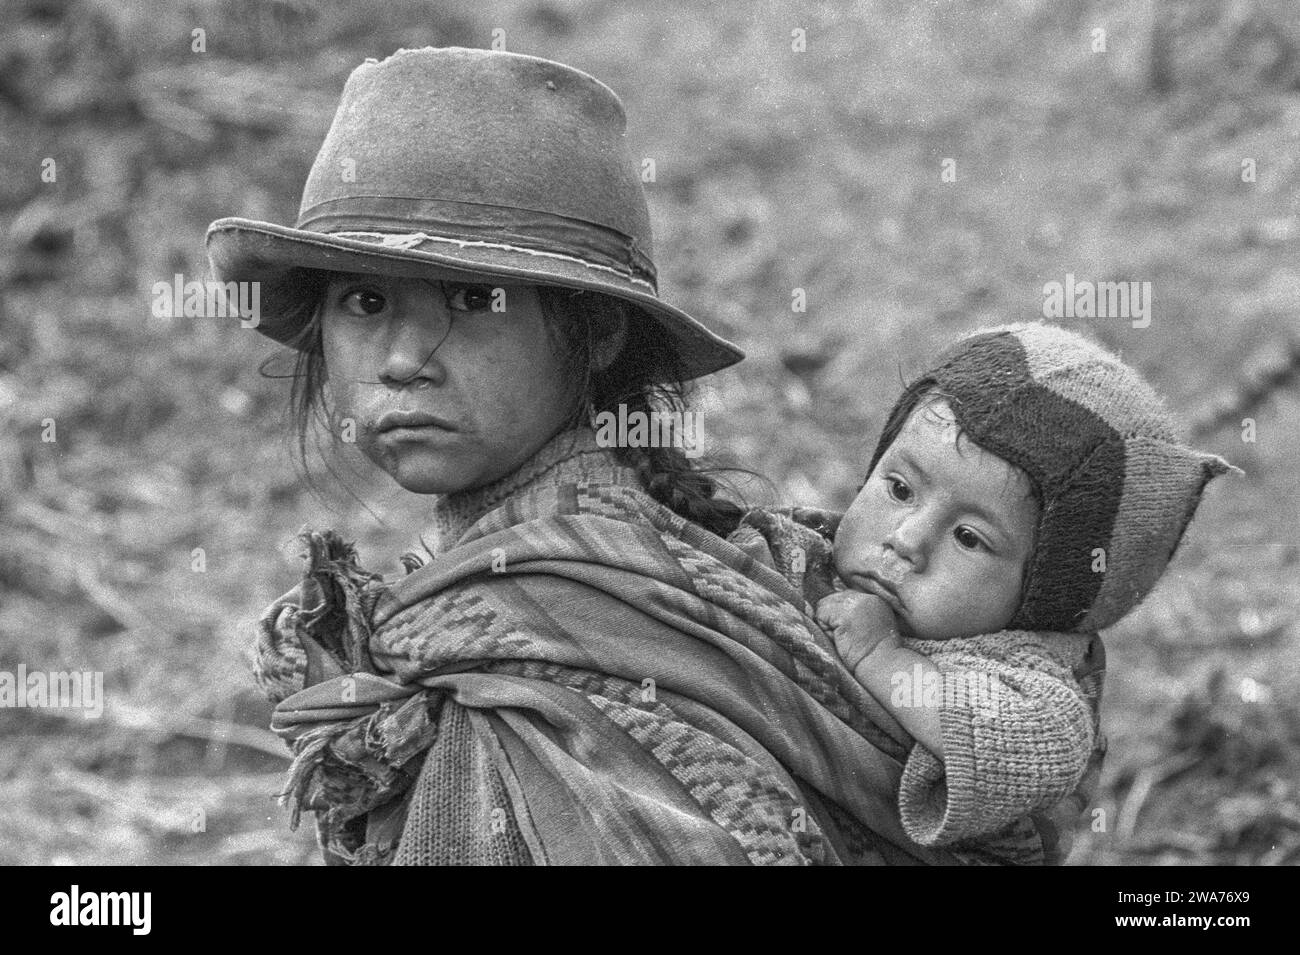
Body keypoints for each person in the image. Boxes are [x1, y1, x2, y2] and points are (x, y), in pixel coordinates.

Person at [209, 46, 965, 865]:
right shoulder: (482, 602)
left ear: (598, 331)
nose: (402, 357)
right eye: (364, 300)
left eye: (471, 299)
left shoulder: (585, 623)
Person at [731, 323, 1236, 863]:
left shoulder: (1032, 679)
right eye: (900, 489)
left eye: (969, 538)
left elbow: (1024, 748)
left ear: (1042, 602)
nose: (906, 540)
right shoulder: (803, 548)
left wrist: (883, 658)